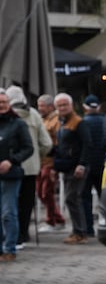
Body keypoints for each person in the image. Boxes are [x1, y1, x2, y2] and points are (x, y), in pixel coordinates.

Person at [5, 87, 52, 248]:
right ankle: (23, 234)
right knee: (26, 203)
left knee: (10, 202)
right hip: (31, 167)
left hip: (9, 166)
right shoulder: (34, 114)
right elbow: (47, 143)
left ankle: (12, 236)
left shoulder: (7, 116)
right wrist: (37, 157)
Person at [0, 91, 34, 262]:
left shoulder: (18, 124)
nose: (2, 105)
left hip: (11, 174)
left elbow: (29, 148)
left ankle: (10, 247)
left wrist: (12, 161)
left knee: (8, 212)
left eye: (5, 102)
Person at [53, 94, 91, 244]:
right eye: (59, 106)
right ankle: (79, 230)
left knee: (72, 198)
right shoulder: (61, 122)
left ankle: (80, 232)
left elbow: (87, 144)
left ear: (71, 106)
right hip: (68, 166)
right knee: (73, 198)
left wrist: (82, 164)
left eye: (65, 105)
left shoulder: (78, 122)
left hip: (77, 167)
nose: (62, 108)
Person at [36, 94, 66, 232]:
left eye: (42, 105)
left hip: (50, 162)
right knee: (41, 192)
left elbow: (59, 143)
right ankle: (56, 218)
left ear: (50, 106)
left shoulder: (56, 121)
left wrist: (56, 162)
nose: (39, 108)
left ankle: (54, 220)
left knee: (46, 192)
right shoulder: (42, 120)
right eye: (39, 105)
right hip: (41, 162)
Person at [79, 95, 106, 240]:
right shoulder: (105, 121)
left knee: (85, 198)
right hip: (103, 165)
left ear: (85, 107)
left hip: (87, 165)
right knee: (105, 198)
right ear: (99, 107)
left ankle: (88, 228)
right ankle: (105, 226)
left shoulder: (83, 122)